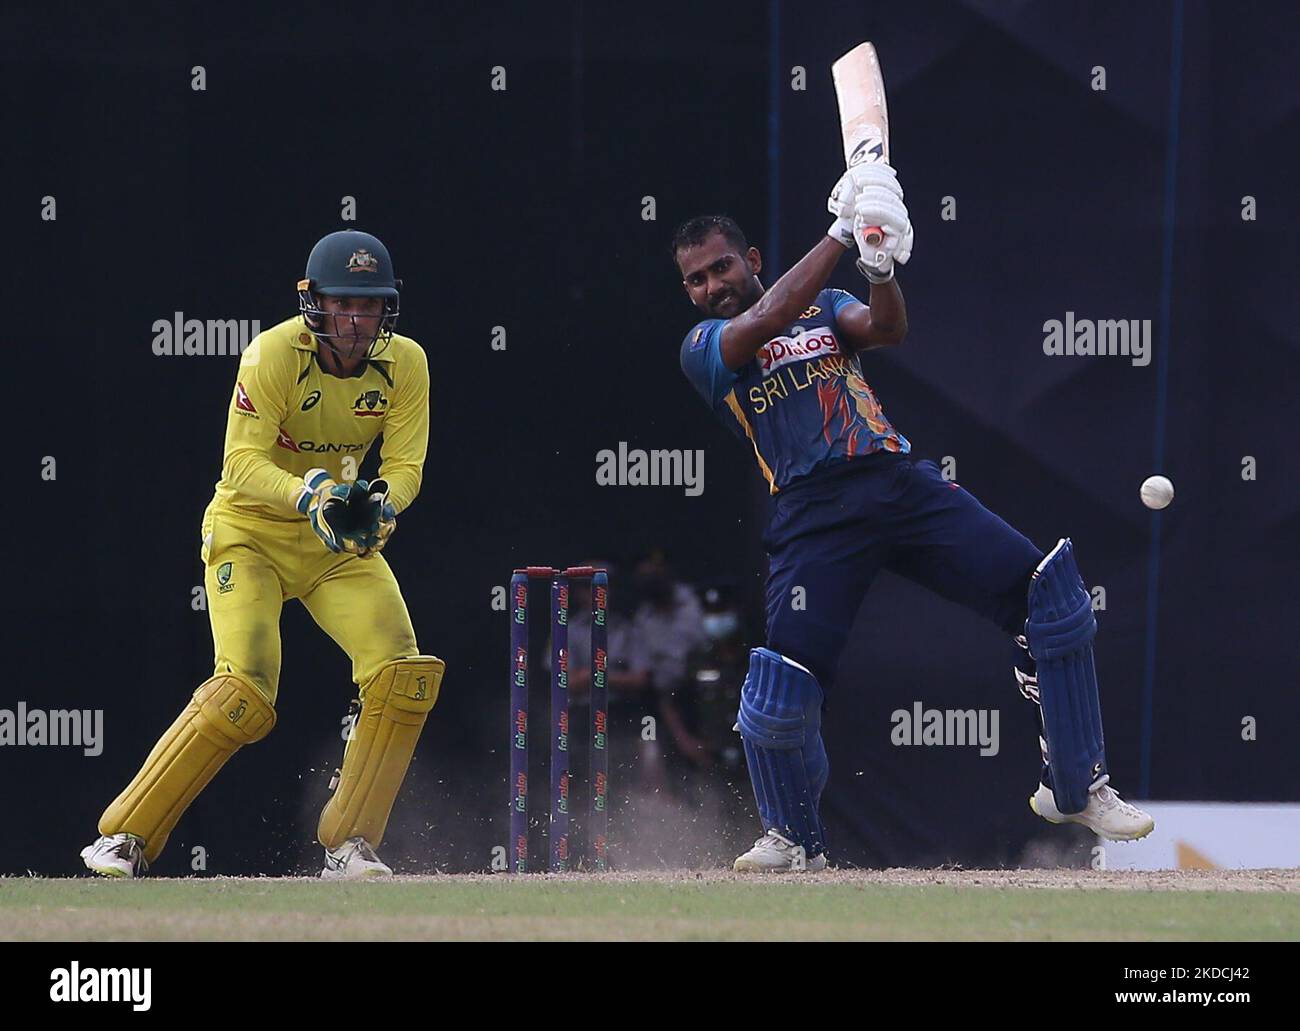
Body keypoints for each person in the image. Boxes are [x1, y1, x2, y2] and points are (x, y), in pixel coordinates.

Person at [674, 165, 1154, 873]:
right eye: (695, 280)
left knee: (1048, 594)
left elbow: (888, 326)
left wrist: (878, 264)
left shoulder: (827, 304)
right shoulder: (706, 349)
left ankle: (1077, 786)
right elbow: (765, 320)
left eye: (720, 268)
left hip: (896, 484)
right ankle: (793, 841)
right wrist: (840, 231)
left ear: (749, 260)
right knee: (781, 686)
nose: (711, 286)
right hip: (814, 517)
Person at [80, 230, 443, 879]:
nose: (358, 322)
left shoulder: (407, 362)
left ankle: (349, 844)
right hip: (251, 531)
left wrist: (382, 504)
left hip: (333, 541)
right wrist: (311, 495)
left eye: (371, 305)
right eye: (345, 305)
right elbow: (241, 462)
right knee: (245, 688)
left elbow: (408, 463)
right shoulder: (271, 354)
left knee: (401, 673)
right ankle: (125, 837)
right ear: (316, 303)